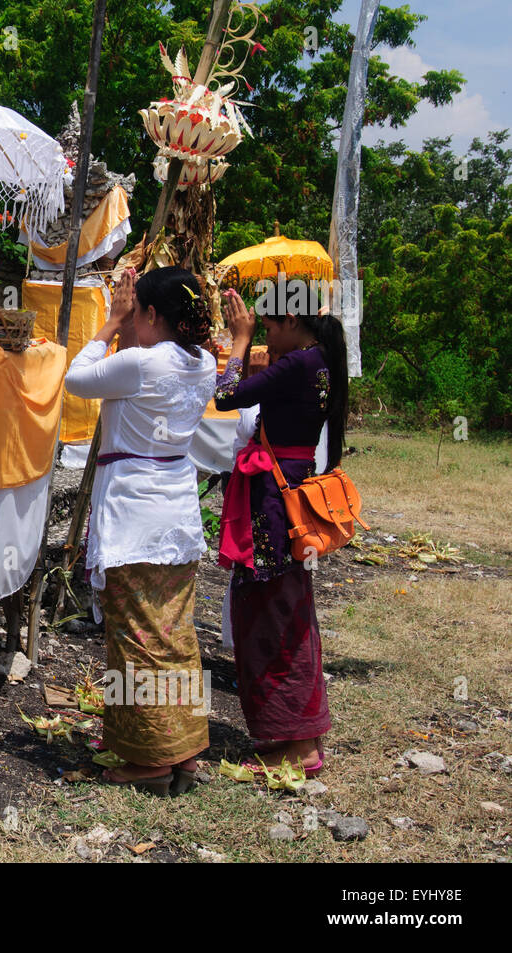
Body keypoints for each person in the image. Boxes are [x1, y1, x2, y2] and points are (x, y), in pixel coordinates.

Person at [65, 267, 216, 796]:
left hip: (133, 513)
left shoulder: (138, 363)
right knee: (173, 632)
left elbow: (76, 379)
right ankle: (186, 749)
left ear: (150, 314)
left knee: (136, 636)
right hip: (175, 511)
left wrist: (108, 323)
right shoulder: (204, 362)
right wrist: (130, 326)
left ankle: (149, 761)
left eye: (138, 313)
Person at [214, 287, 349, 775]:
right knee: (287, 611)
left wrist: (238, 342)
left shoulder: (298, 363)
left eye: (268, 327)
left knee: (270, 613)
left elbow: (226, 396)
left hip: (273, 503)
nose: (266, 337)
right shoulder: (320, 360)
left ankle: (300, 745)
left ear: (290, 317)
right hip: (289, 489)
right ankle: (298, 735)